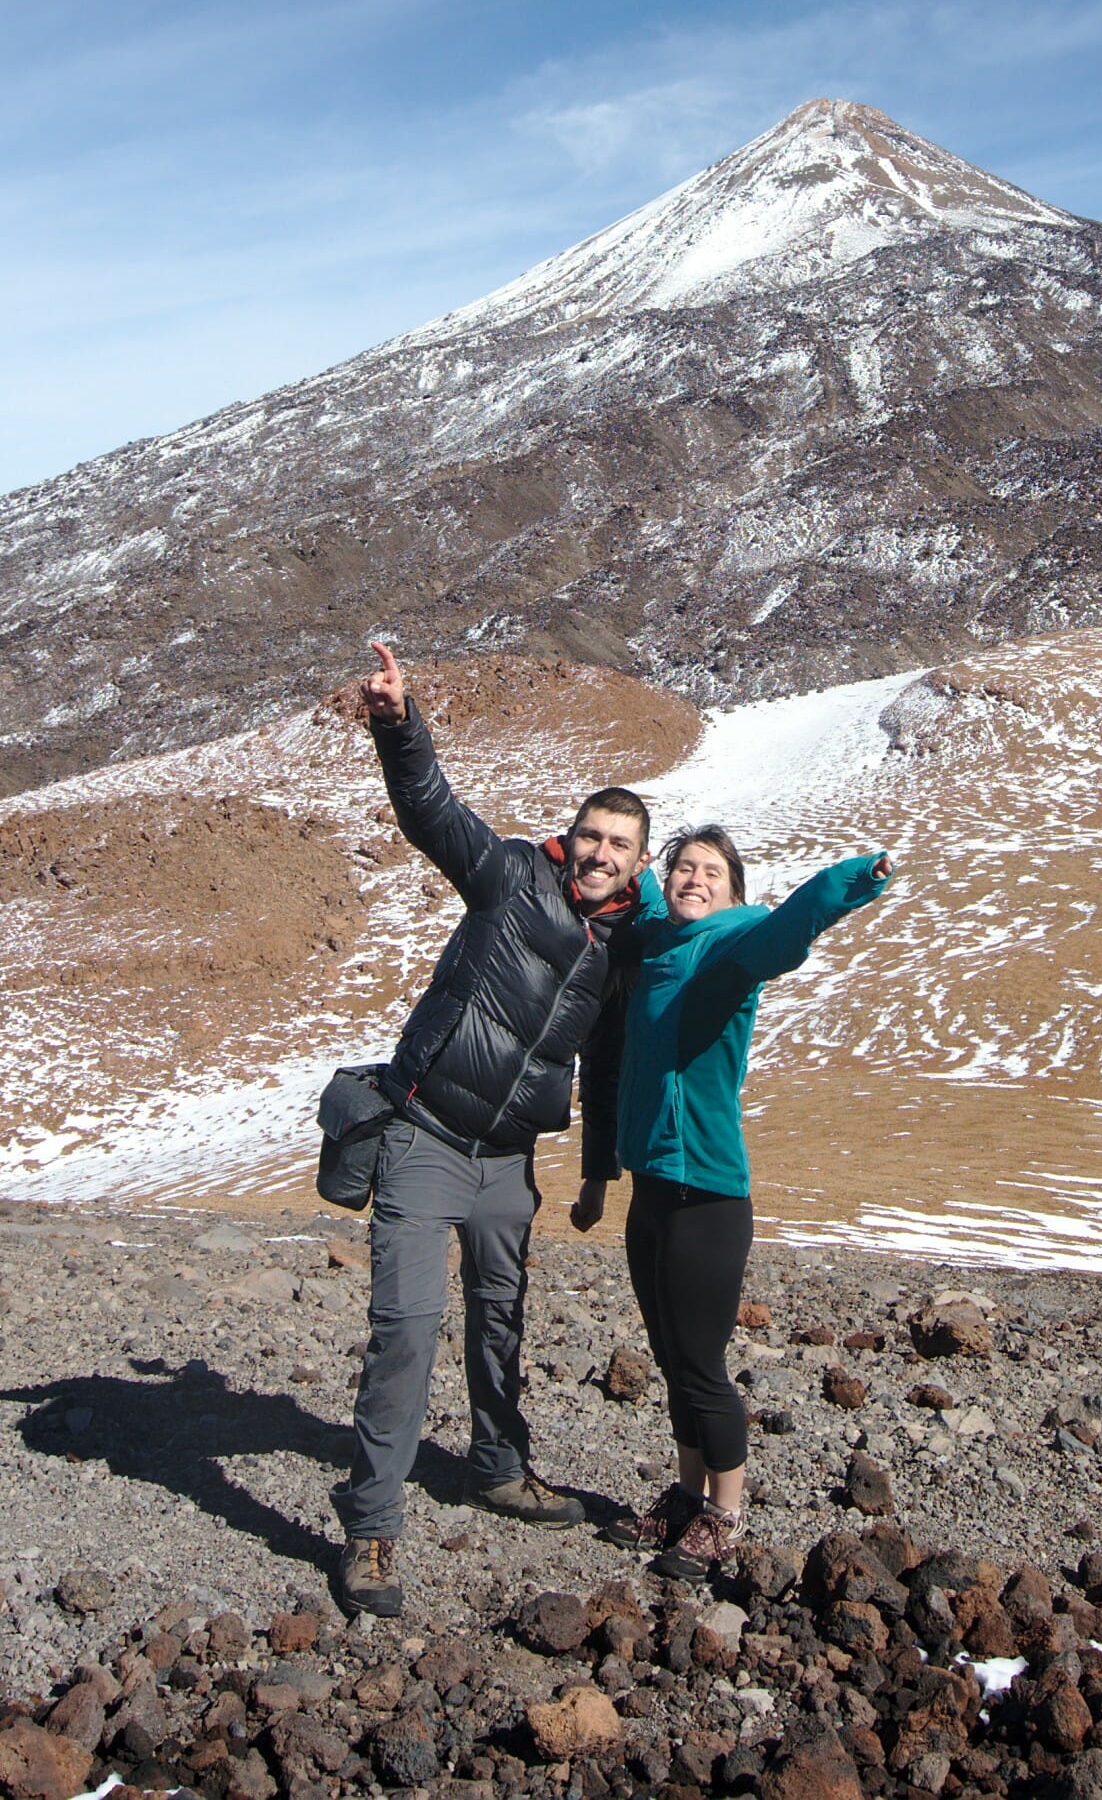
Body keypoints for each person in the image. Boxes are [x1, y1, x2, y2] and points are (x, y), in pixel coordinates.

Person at [326, 640, 649, 1620]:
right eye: (590, 835)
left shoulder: (619, 949)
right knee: (406, 1332)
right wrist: (398, 720)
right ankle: (373, 1525)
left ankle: (500, 1467)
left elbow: (604, 1065)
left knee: (501, 1320)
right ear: (571, 835)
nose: (598, 853)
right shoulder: (509, 877)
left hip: (510, 1162)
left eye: (618, 845)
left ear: (638, 860)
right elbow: (431, 811)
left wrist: (596, 1176)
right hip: (424, 1134)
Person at [570, 822, 891, 1578]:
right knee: (669, 1355)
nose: (693, 878)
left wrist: (850, 879)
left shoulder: (732, 944)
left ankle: (727, 1512)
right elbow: (641, 891)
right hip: (652, 1189)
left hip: (708, 1196)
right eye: (683, 866)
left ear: (733, 892)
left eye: (710, 871)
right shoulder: (658, 945)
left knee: (702, 1362)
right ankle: (686, 1495)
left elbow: (786, 931)